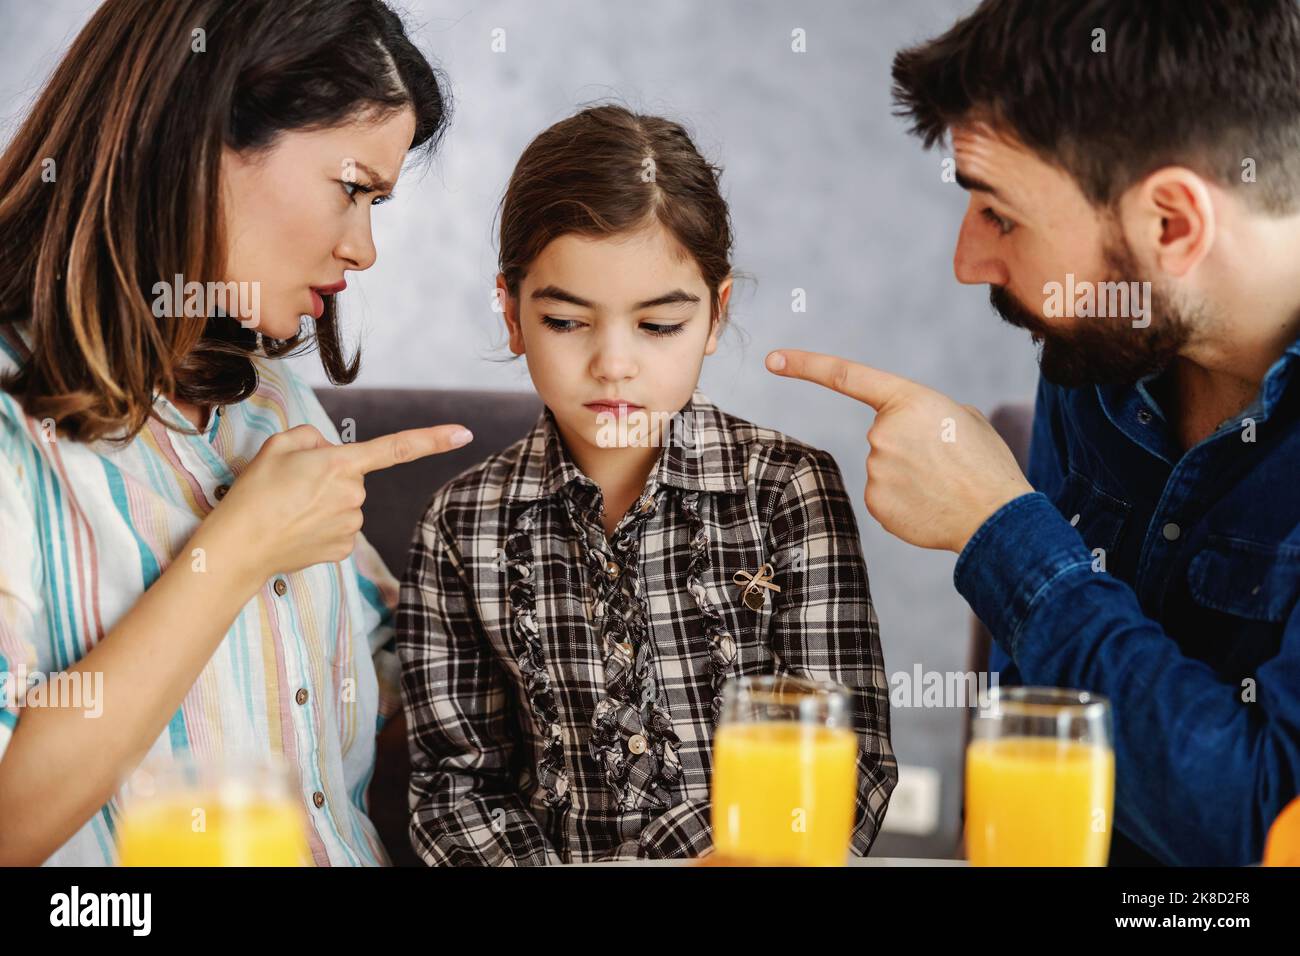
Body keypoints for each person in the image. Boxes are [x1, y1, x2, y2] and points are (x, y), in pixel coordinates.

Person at [767, 0, 1300, 865]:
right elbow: (1037, 742)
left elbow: (1262, 829)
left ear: (1171, 224)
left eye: (1000, 216)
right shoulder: (1103, 356)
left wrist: (1000, 525)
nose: (967, 262)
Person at [0, 0, 470, 865]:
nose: (364, 249)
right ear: (200, 133)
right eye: (352, 188)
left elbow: (390, 687)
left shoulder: (269, 398)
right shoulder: (11, 434)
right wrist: (238, 550)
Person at [396, 105, 897, 864]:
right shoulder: (461, 526)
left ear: (716, 315)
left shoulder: (788, 489)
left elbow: (848, 756)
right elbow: (457, 788)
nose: (614, 364)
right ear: (511, 311)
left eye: (658, 326)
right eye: (567, 322)